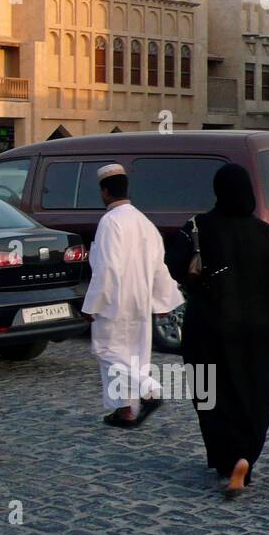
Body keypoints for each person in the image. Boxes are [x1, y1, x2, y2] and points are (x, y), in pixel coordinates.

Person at [167, 162, 269, 498]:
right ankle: (244, 457)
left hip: (206, 329)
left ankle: (227, 459)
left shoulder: (197, 226)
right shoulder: (262, 232)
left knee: (209, 394)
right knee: (253, 394)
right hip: (253, 331)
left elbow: (174, 264)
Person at [82, 163, 184, 428]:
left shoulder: (110, 222)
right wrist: (163, 301)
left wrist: (92, 303)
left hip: (114, 300)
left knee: (107, 351)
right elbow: (159, 266)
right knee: (133, 356)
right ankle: (125, 411)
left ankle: (150, 390)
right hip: (139, 300)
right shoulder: (144, 222)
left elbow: (106, 268)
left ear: (105, 191)